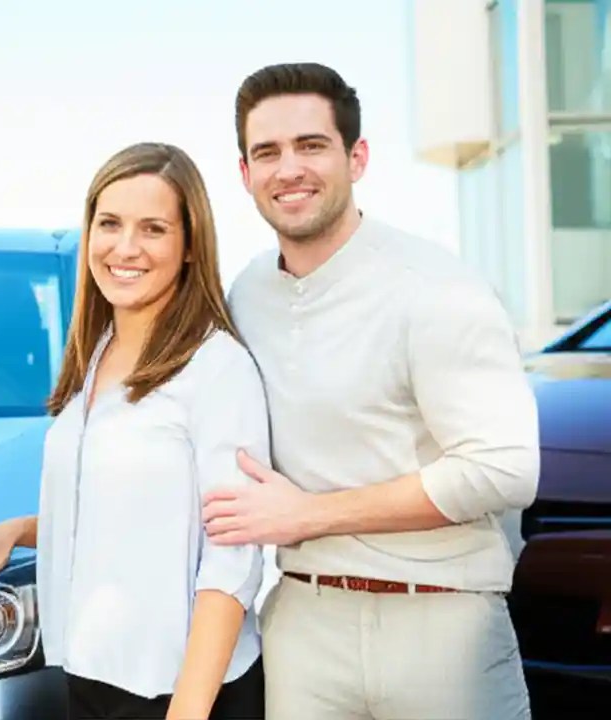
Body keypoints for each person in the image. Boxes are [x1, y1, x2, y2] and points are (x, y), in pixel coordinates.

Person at [204, 62, 539, 720]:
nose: (288, 169)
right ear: (245, 175)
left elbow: (505, 468)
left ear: (356, 158)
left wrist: (312, 516)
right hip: (303, 623)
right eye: (266, 152)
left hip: (442, 625)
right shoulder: (247, 293)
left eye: (311, 146)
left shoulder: (437, 287)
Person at [0, 142, 269, 720]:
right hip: (90, 681)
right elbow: (132, 515)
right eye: (110, 224)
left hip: (180, 694)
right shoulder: (95, 357)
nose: (125, 248)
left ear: (190, 245)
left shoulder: (217, 368)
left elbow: (232, 561)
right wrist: (16, 531)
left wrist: (189, 711)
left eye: (152, 229)